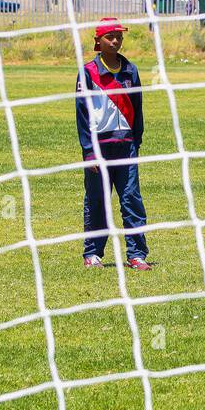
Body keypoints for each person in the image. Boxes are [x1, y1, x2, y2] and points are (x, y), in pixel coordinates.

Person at [77, 17, 150, 270]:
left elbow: (138, 108)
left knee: (131, 198)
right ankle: (92, 253)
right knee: (97, 201)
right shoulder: (88, 72)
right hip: (99, 147)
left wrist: (136, 140)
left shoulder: (131, 70)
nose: (115, 41)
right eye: (110, 37)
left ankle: (137, 254)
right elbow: (82, 114)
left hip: (127, 145)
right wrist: (88, 152)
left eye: (119, 36)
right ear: (98, 40)